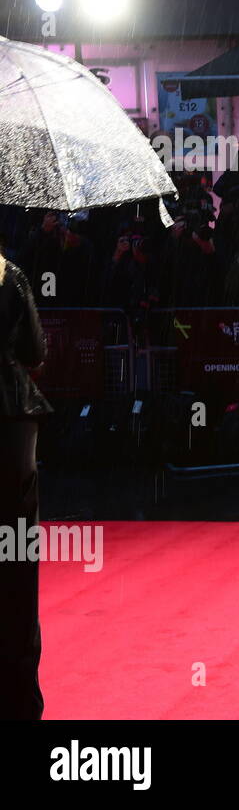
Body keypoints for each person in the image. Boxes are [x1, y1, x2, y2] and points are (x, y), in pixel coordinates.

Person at [0, 249, 51, 719]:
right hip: (11, 422)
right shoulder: (10, 275)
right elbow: (35, 353)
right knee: (15, 561)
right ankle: (17, 698)